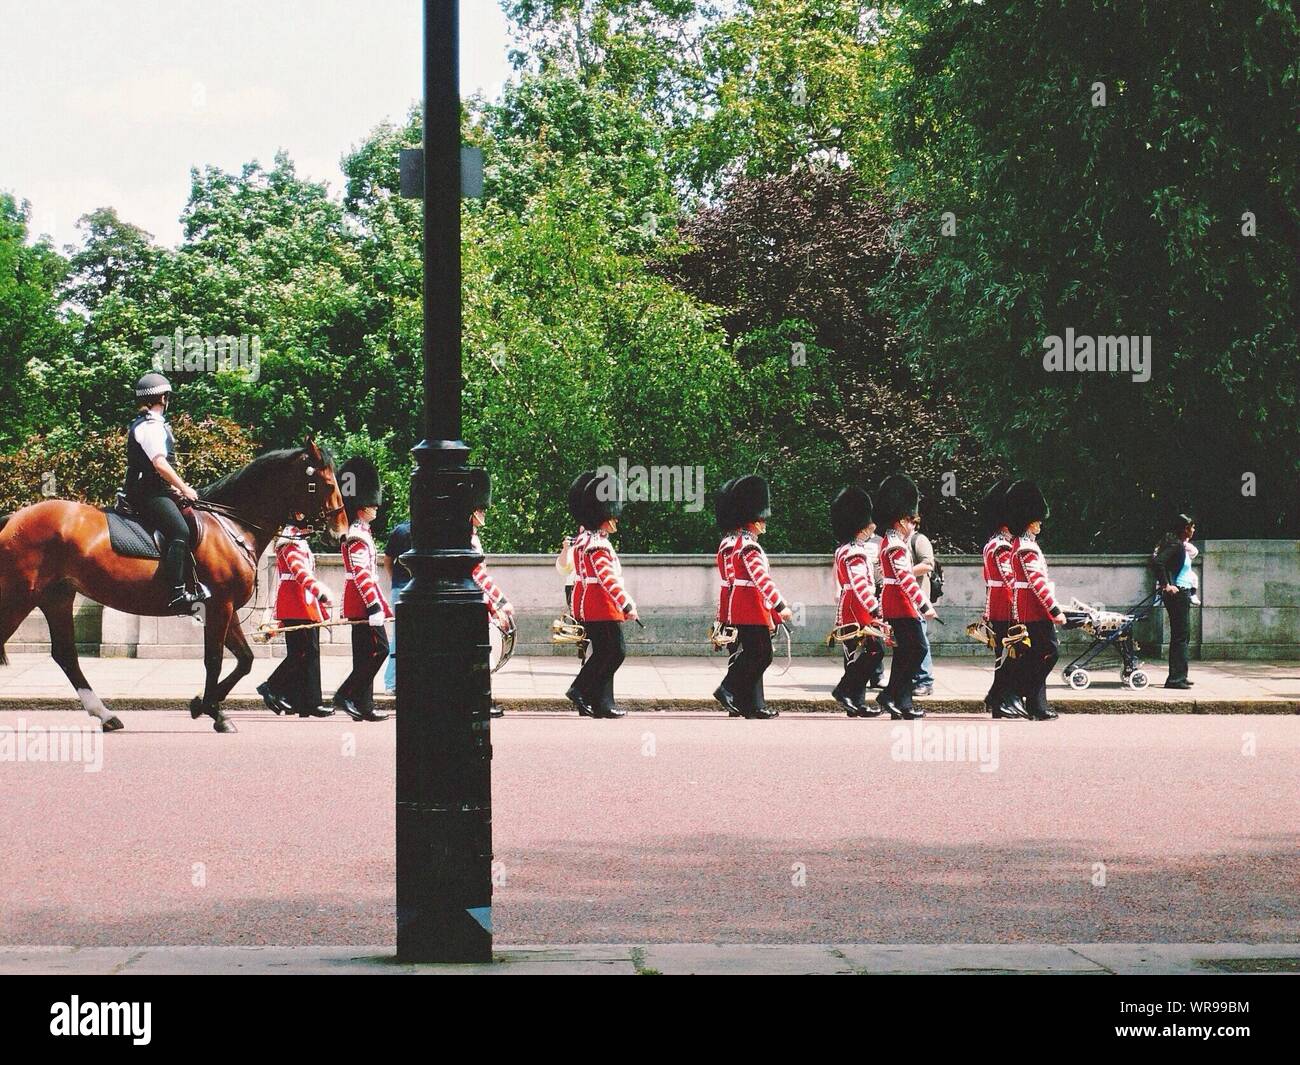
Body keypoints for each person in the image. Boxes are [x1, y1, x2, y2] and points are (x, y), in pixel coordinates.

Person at [123, 372, 210, 615]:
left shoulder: (148, 424)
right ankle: (177, 592)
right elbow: (160, 464)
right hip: (147, 493)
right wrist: (184, 488)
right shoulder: (151, 427)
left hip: (152, 488)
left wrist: (173, 489)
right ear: (163, 397)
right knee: (179, 530)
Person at [566, 471, 636, 719]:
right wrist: (627, 604)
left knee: (604, 653)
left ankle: (598, 702)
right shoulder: (597, 544)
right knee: (616, 652)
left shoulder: (584, 539)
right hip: (601, 605)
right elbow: (607, 579)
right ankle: (580, 689)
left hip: (591, 603)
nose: (616, 519)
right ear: (603, 516)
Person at [721, 475, 792, 720]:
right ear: (752, 521)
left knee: (756, 653)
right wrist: (780, 605)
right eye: (761, 519)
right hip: (749, 605)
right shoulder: (749, 546)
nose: (764, 523)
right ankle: (728, 689)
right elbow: (761, 579)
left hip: (749, 604)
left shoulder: (743, 542)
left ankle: (747, 703)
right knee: (761, 653)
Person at [258, 516, 336, 718]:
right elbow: (300, 573)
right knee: (305, 652)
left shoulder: (298, 540)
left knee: (305, 652)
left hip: (302, 601)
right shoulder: (290, 542)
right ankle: (274, 687)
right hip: (297, 602)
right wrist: (321, 592)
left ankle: (300, 700)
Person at [333, 457, 392, 722]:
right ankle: (346, 694)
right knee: (380, 648)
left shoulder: (361, 531)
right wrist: (374, 605)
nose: (375, 508)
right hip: (362, 601)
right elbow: (361, 574)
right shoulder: (357, 534)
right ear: (360, 508)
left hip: (363, 600)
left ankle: (363, 704)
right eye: (371, 504)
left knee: (364, 652)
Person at [874, 474, 937, 720]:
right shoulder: (897, 545)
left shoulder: (889, 541)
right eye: (911, 520)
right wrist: (924, 605)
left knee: (904, 653)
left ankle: (901, 701)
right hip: (901, 602)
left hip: (896, 601)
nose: (913, 525)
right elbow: (905, 577)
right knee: (917, 649)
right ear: (901, 520)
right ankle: (893, 695)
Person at [1007, 480, 1066, 721]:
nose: (1041, 524)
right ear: (1030, 521)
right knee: (1049, 651)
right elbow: (1037, 582)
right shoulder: (1026, 548)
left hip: (1028, 604)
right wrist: (1054, 610)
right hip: (1033, 607)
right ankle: (1023, 690)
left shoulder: (1024, 544)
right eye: (1038, 520)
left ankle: (1036, 704)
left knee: (1037, 653)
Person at [830, 486, 885, 718]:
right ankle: (845, 691)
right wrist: (875, 609)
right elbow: (860, 583)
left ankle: (856, 701)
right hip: (857, 607)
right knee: (871, 651)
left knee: (862, 653)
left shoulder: (847, 548)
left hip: (853, 604)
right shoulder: (855, 551)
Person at [979, 479, 1027, 719]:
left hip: (998, 605)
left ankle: (997, 696)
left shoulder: (993, 544)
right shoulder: (1002, 547)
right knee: (1010, 655)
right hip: (1006, 606)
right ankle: (1002, 700)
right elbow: (1010, 580)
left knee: (1005, 654)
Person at [469, 470, 514, 717]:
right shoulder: (467, 538)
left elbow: (480, 575)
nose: (483, 512)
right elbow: (475, 577)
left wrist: (500, 600)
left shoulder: (472, 537)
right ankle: (479, 703)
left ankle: (481, 701)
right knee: (481, 656)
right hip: (473, 606)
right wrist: (495, 604)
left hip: (477, 603)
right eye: (481, 508)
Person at [1152, 513, 1198, 690]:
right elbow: (1158, 563)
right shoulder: (1176, 545)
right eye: (1192, 527)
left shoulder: (1181, 546)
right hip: (1177, 594)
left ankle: (1181, 675)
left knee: (1184, 636)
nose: (1193, 530)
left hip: (1182, 593)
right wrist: (1166, 585)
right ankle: (1175, 679)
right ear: (1185, 529)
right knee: (1180, 636)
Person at [711, 478, 742, 716]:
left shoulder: (732, 542)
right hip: (735, 600)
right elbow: (733, 579)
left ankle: (743, 698)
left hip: (732, 599)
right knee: (738, 648)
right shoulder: (732, 545)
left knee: (742, 648)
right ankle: (733, 696)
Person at [558, 471, 595, 662]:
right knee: (582, 623)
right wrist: (565, 549)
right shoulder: (577, 543)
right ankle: (584, 650)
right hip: (574, 586)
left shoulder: (597, 541)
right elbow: (564, 568)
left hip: (592, 587)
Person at [381, 518, 411, 694]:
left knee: (399, 636)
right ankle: (392, 682)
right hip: (415, 588)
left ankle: (392, 682)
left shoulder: (400, 531)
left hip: (399, 587)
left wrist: (395, 580)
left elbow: (387, 560)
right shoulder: (430, 531)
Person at [909, 514, 936, 696]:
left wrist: (902, 572)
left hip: (918, 597)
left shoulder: (919, 540)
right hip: (902, 598)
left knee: (920, 641)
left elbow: (928, 564)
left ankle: (925, 680)